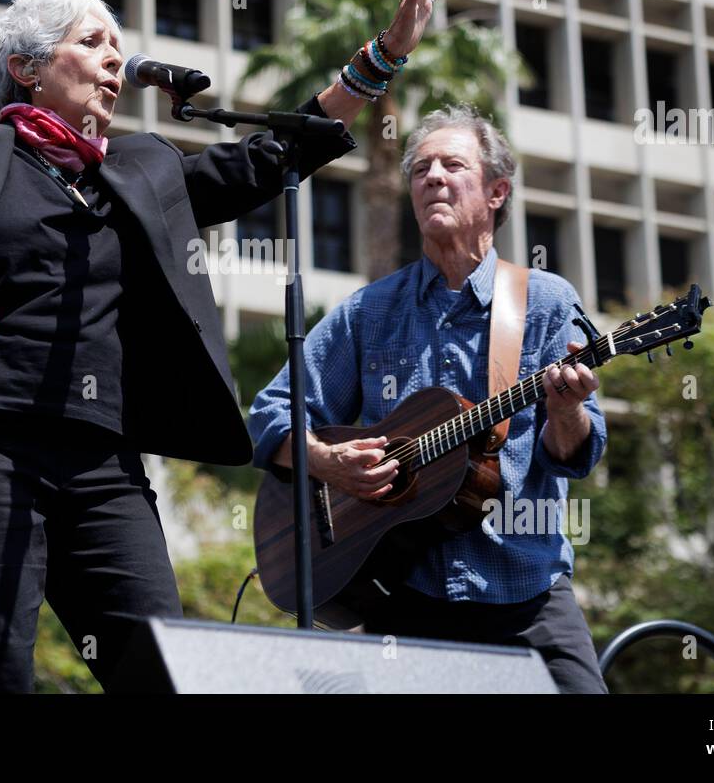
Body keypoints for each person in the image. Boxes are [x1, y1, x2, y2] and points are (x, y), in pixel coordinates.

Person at [0, 0, 450, 692]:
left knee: (166, 671)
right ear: (28, 68)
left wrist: (386, 55)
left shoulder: (139, 171)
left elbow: (274, 156)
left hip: (104, 462)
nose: (117, 59)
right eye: (93, 42)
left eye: (120, 45)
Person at [247, 104, 610, 693]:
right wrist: (329, 461)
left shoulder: (542, 301)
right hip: (403, 595)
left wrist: (566, 410)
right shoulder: (370, 311)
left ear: (497, 191)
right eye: (420, 168)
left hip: (525, 594)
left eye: (452, 164)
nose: (433, 177)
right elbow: (270, 413)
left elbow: (576, 455)